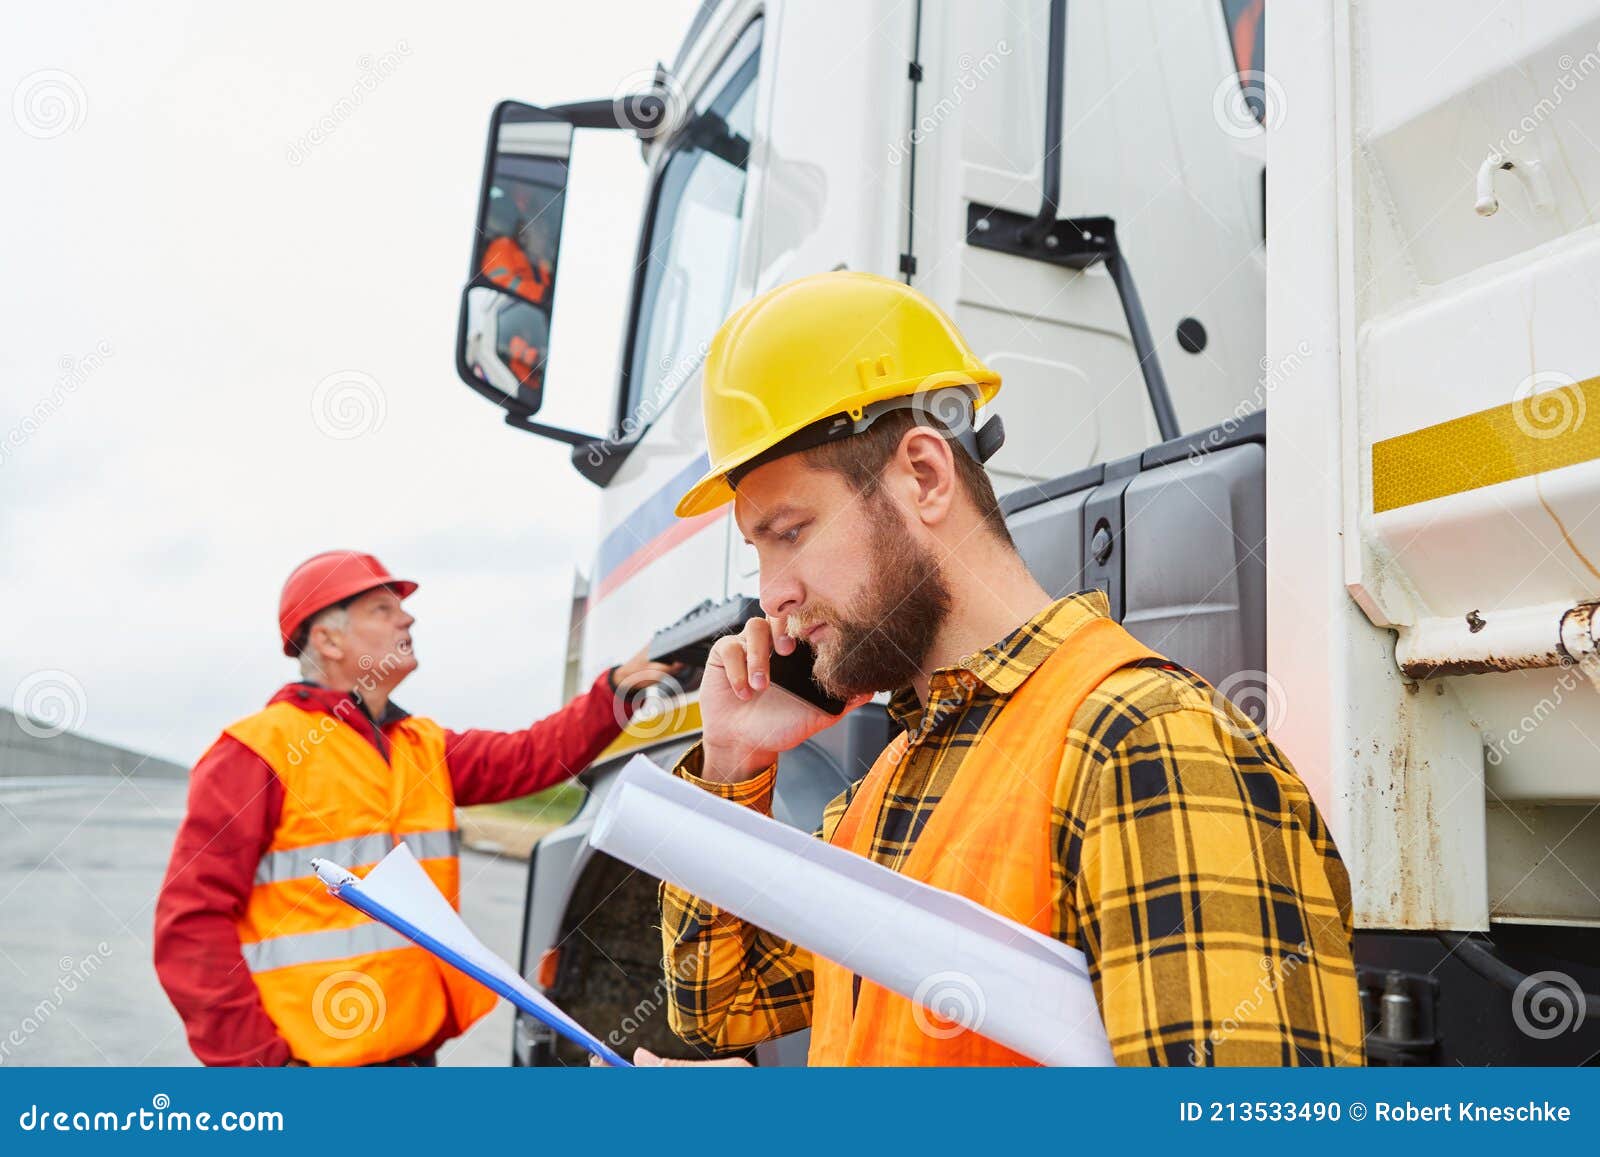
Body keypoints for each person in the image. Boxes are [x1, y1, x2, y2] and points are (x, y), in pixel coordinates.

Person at [651, 271, 1365, 1066]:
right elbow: (717, 1003)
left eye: (789, 531)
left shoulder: (1146, 745)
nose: (770, 595)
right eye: (757, 551)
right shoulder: (892, 779)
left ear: (924, 476)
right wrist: (733, 762)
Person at [154, 550, 676, 1066]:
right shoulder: (254, 753)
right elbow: (189, 927)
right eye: (382, 609)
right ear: (328, 639)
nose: (407, 617)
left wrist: (619, 690)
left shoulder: (420, 745)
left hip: (414, 1058)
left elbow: (534, 756)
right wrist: (258, 1067)